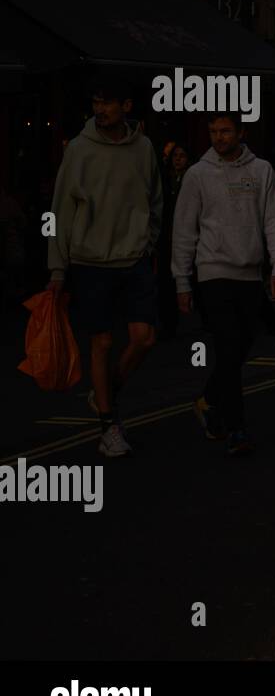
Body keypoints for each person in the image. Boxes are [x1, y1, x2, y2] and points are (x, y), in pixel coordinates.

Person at [46, 76, 163, 458]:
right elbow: (62, 209)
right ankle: (108, 426)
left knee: (144, 337)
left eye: (108, 103)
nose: (100, 110)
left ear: (126, 107)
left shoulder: (143, 147)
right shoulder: (79, 150)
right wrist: (57, 269)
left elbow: (155, 198)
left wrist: (149, 241)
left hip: (134, 258)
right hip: (90, 261)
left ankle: (104, 394)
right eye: (96, 102)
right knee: (102, 342)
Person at [171, 115, 275, 454]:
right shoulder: (198, 174)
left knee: (242, 344)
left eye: (225, 131)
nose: (218, 138)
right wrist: (182, 280)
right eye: (212, 132)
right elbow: (184, 230)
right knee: (228, 345)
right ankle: (236, 427)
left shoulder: (261, 170)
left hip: (250, 274)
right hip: (212, 272)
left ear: (241, 132)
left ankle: (208, 399)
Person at [157, 144, 190, 339]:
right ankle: (169, 323)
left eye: (182, 155)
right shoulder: (165, 180)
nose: (178, 159)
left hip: (185, 236)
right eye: (175, 156)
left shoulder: (190, 179)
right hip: (167, 236)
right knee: (166, 281)